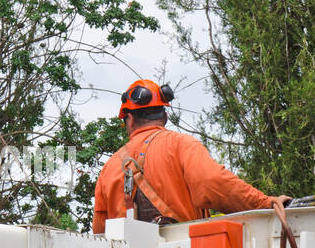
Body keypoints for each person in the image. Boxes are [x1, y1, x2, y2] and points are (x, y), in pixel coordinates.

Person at [91, 79, 290, 234]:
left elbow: (100, 232)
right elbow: (212, 183)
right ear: (165, 116)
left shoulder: (109, 168)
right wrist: (265, 203)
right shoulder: (181, 145)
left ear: (130, 119)